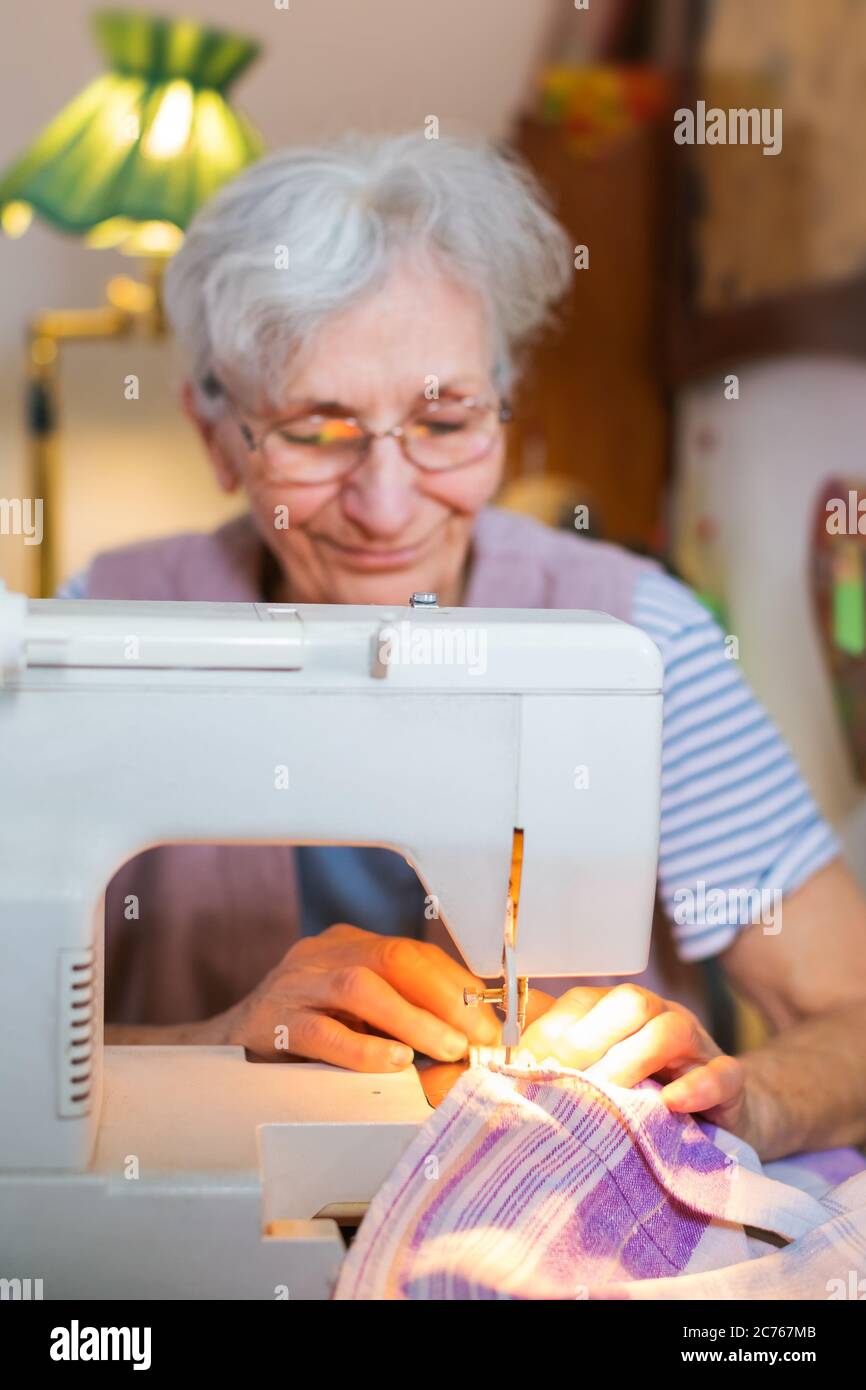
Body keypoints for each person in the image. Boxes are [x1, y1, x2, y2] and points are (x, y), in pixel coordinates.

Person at [61, 133, 866, 1162]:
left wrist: (745, 1097)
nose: (386, 503)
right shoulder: (105, 631)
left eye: (443, 423)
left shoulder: (637, 638)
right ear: (218, 436)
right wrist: (205, 1045)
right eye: (316, 429)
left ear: (503, 409)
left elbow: (848, 1011)